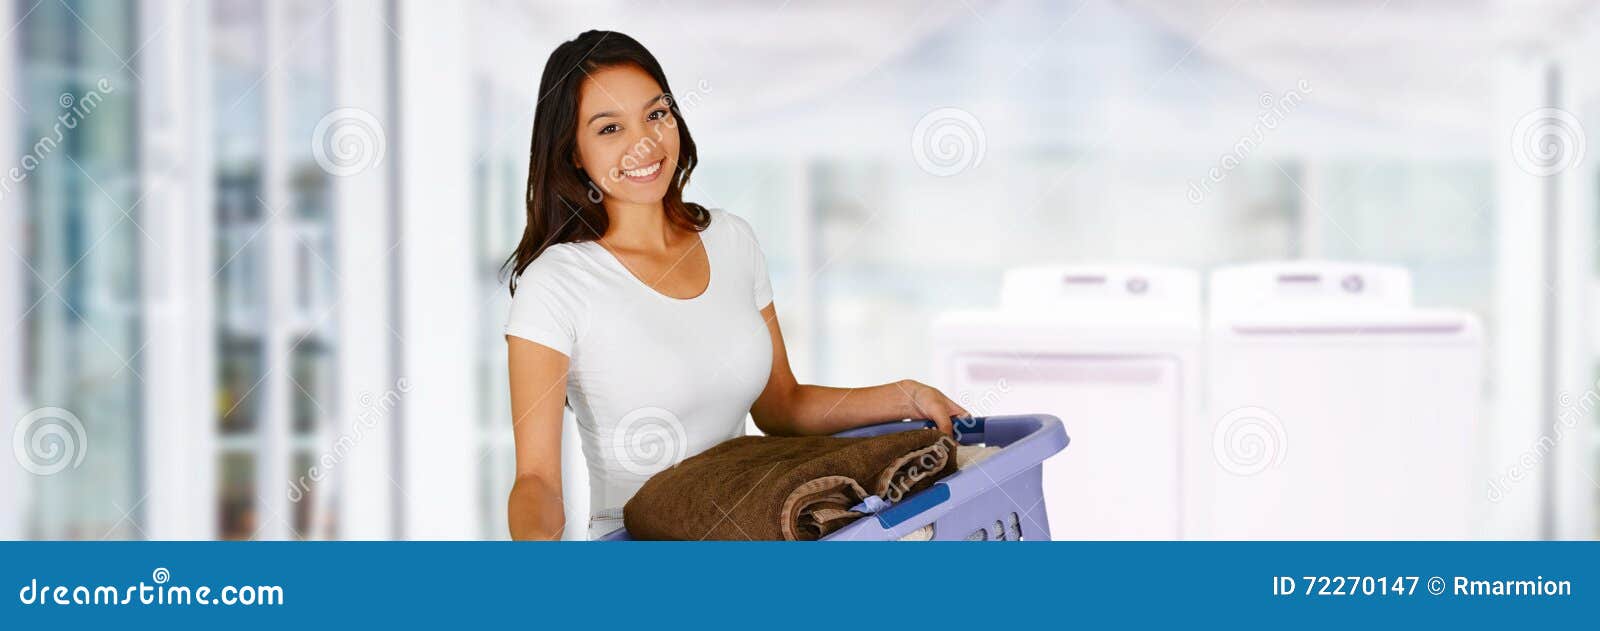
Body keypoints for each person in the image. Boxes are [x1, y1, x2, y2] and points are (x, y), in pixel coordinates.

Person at [503, 30, 969, 540]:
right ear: (572, 152)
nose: (644, 142)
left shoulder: (730, 240)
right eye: (610, 127)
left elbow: (782, 406)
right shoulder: (557, 285)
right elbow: (537, 480)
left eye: (656, 114)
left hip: (752, 525)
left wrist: (908, 395)